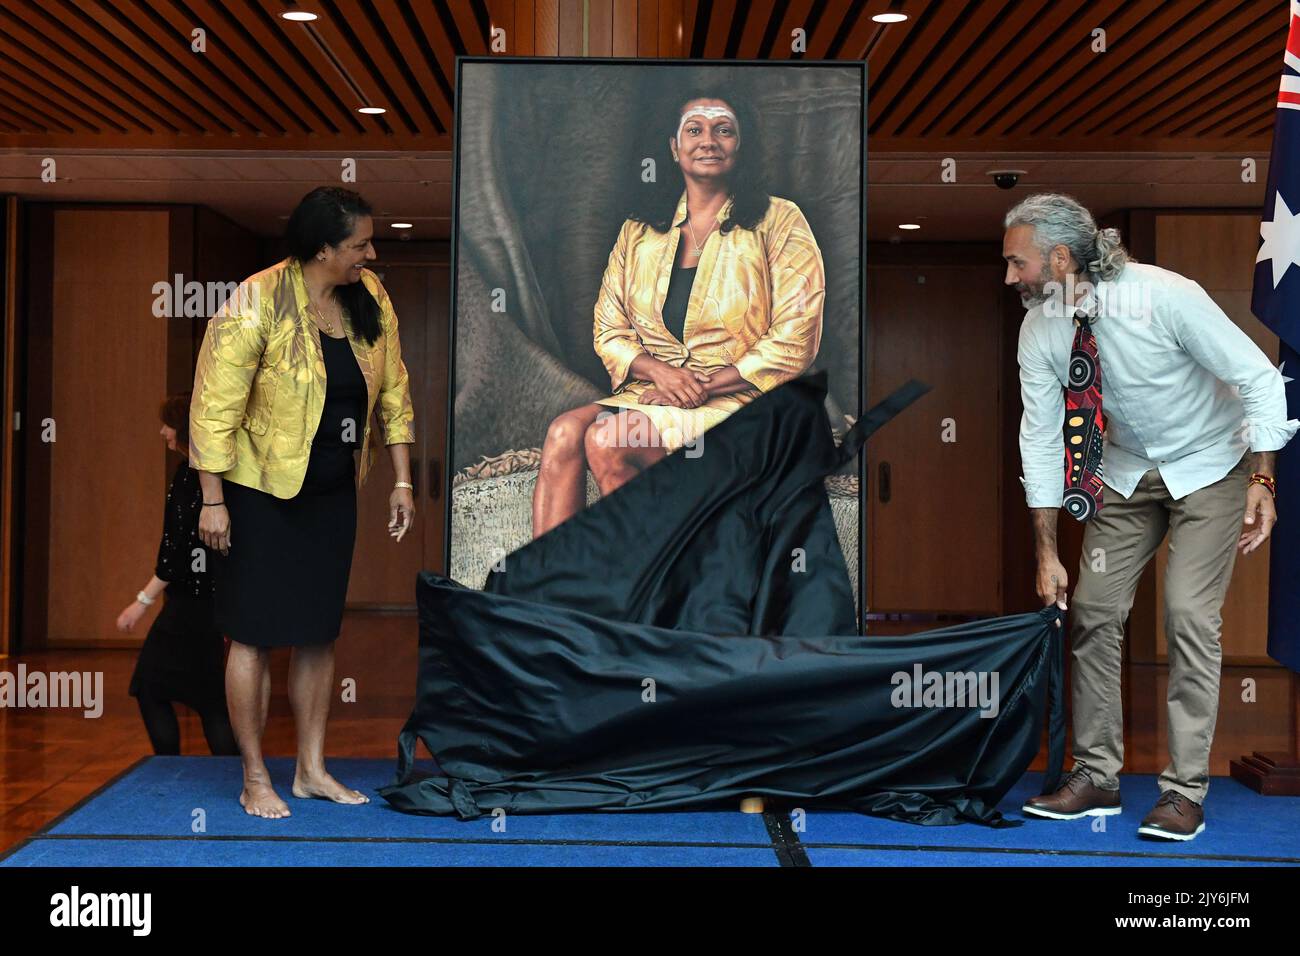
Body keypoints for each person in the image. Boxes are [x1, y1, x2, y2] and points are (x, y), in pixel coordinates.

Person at [1005, 192, 1297, 840]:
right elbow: (1043, 437)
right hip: (1125, 474)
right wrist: (1046, 551)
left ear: (1059, 256)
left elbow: (1258, 378)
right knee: (1096, 610)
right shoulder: (1040, 327)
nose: (1010, 277)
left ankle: (1184, 792)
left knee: (1190, 613)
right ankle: (1098, 775)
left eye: (1017, 262)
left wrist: (1261, 477)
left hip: (1209, 466)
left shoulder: (1166, 296)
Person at [190, 186, 416, 819]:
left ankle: (311, 769)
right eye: (360, 244)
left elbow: (394, 388)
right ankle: (255, 775)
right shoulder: (256, 299)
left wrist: (400, 479)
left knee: (318, 633)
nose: (370, 254)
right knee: (253, 636)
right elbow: (213, 407)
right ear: (322, 247)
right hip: (258, 490)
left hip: (329, 494)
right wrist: (213, 501)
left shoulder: (368, 298)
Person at [531, 90, 825, 537]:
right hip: (655, 394)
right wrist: (662, 376)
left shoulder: (779, 220)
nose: (709, 139)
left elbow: (795, 338)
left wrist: (699, 385)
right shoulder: (638, 233)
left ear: (740, 144)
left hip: (741, 400)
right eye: (695, 129)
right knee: (563, 433)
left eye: (723, 129)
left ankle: (645, 589)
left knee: (609, 439)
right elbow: (608, 330)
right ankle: (545, 597)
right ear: (674, 147)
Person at [116, 392, 238, 757]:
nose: (162, 432)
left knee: (149, 686)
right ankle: (233, 771)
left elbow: (175, 552)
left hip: (187, 607)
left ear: (185, 429)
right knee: (210, 696)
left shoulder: (189, 476)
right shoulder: (224, 472)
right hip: (217, 603)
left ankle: (168, 768)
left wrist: (140, 602)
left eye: (168, 424)